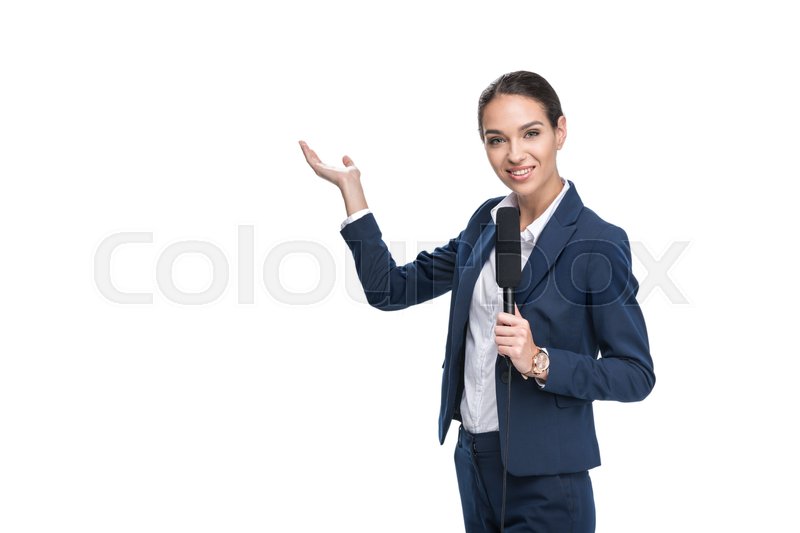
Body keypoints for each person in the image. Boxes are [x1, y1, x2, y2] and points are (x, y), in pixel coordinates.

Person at [299, 71, 655, 533]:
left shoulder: (597, 243)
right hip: (473, 462)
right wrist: (353, 195)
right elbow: (390, 289)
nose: (514, 154)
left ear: (560, 132)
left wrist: (539, 361)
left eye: (531, 133)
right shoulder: (485, 225)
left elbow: (636, 373)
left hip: (548, 480)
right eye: (496, 139)